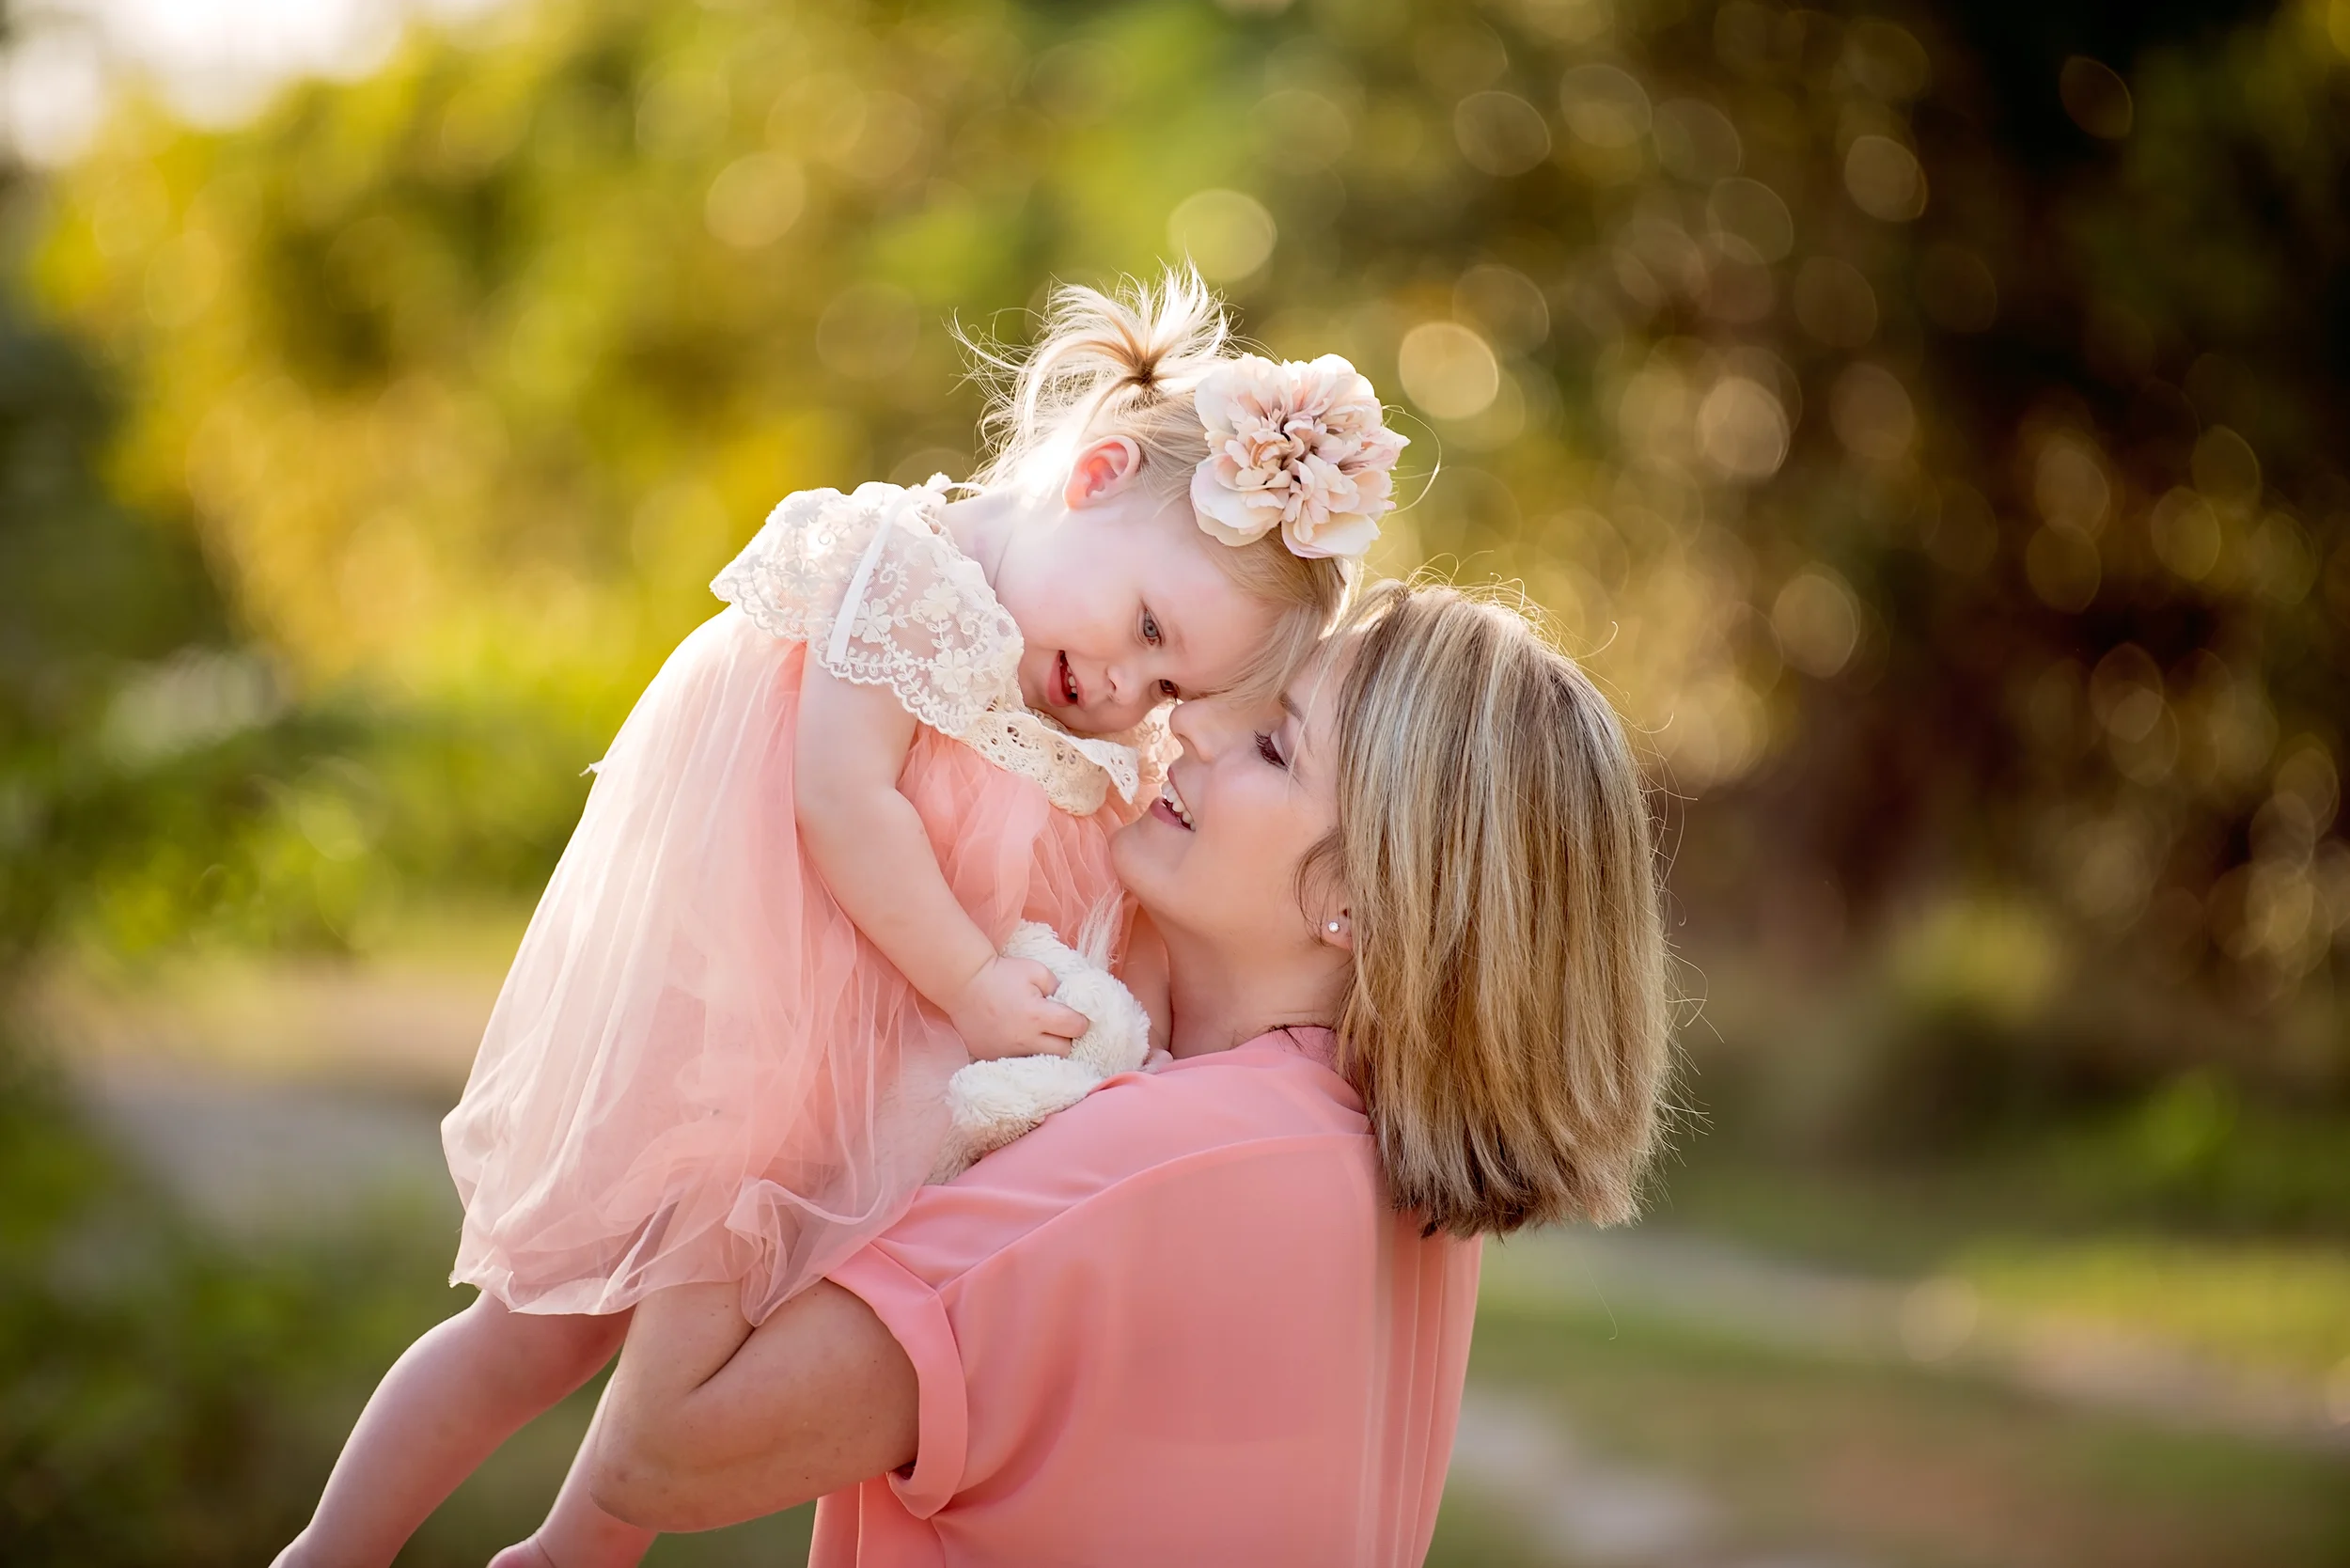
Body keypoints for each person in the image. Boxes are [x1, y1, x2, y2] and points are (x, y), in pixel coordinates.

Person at [271, 268, 1406, 1568]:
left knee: (738, 1320)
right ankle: (331, 1548)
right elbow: (841, 802)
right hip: (748, 1006)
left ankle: (572, 1552)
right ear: (1092, 477)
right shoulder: (907, 571)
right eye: (1146, 626)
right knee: (543, 1329)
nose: (1126, 685)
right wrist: (975, 985)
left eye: (1168, 683)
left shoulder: (1080, 702)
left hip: (862, 1055)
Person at [582, 578, 1676, 1567]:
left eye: (1273, 747)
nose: (1191, 721)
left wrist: (763, 1006)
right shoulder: (1376, 1161)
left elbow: (663, 1455)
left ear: (1361, 901)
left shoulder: (1144, 1164)